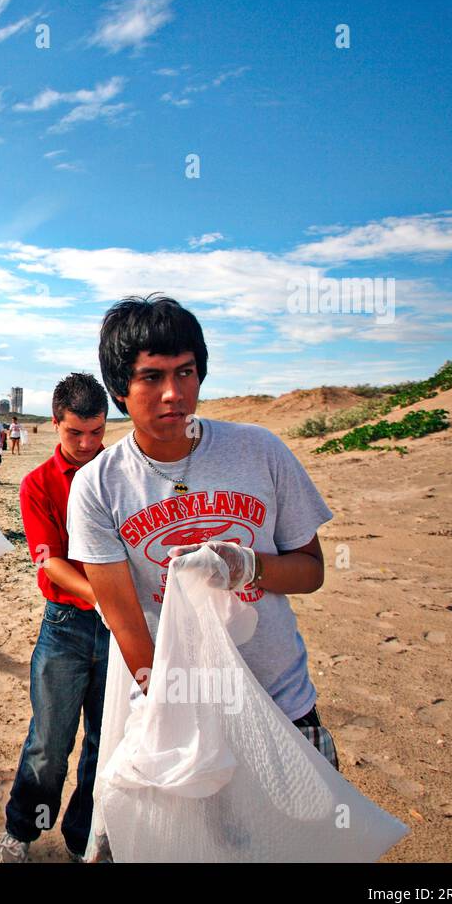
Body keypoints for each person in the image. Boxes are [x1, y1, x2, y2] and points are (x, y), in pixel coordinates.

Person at [66, 295, 338, 776]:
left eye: (186, 372)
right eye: (152, 377)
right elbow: (126, 621)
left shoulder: (260, 451)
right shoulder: (98, 486)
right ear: (119, 390)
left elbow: (312, 570)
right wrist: (175, 711)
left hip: (282, 703)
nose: (173, 392)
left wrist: (248, 565)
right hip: (177, 714)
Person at [0, 373, 110, 864]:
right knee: (48, 743)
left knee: (107, 744)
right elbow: (49, 562)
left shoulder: (120, 472)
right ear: (56, 425)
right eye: (74, 433)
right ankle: (22, 831)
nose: (87, 445)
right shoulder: (37, 483)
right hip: (66, 627)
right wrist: (104, 599)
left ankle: (83, 838)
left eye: (97, 432)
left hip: (121, 630)